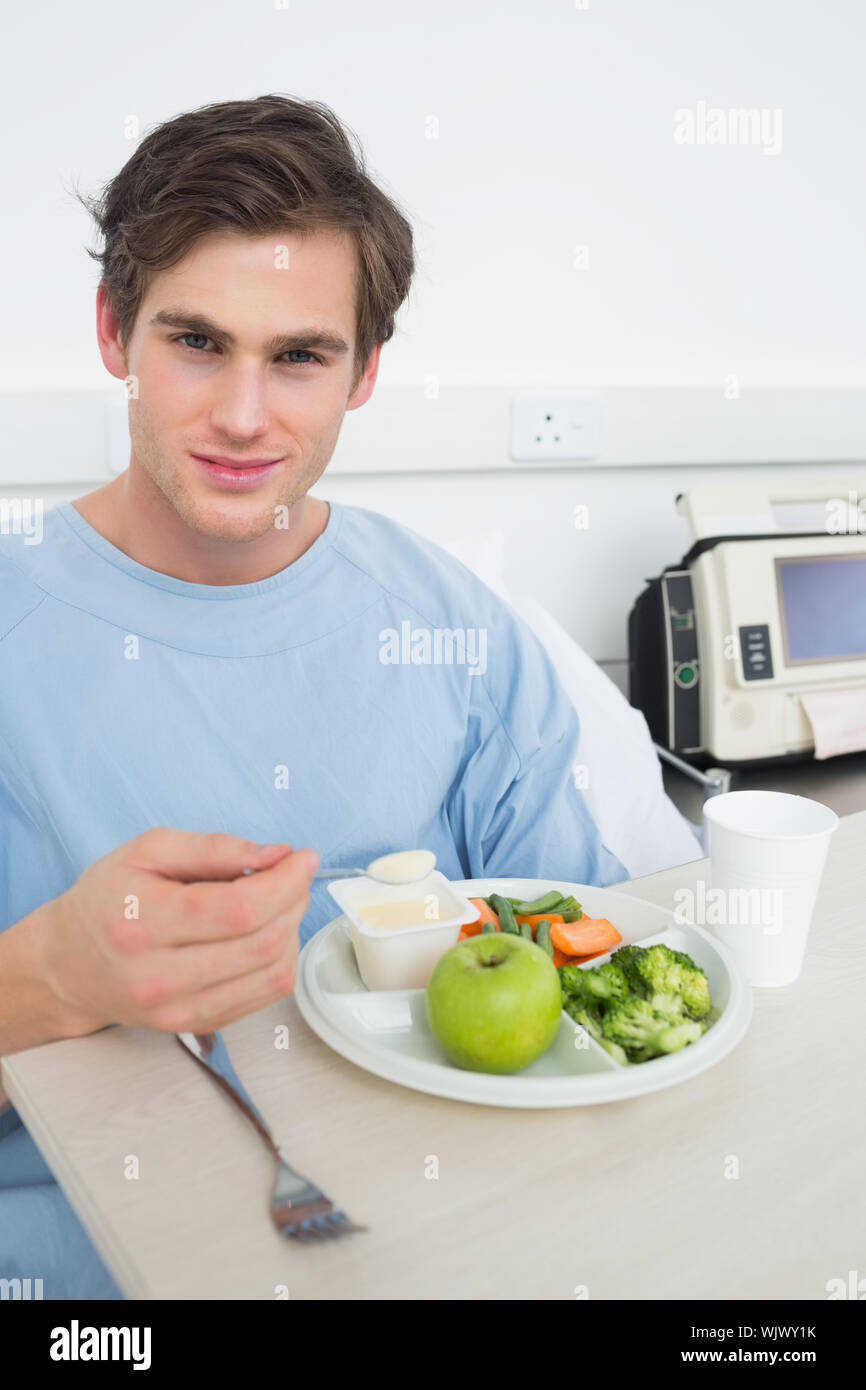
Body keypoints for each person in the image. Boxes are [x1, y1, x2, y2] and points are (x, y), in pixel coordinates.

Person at [0, 94, 628, 1299]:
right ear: (111, 331)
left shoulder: (455, 635)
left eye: (297, 356)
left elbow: (580, 984)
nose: (242, 416)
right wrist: (55, 976)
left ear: (364, 373)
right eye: (195, 342)